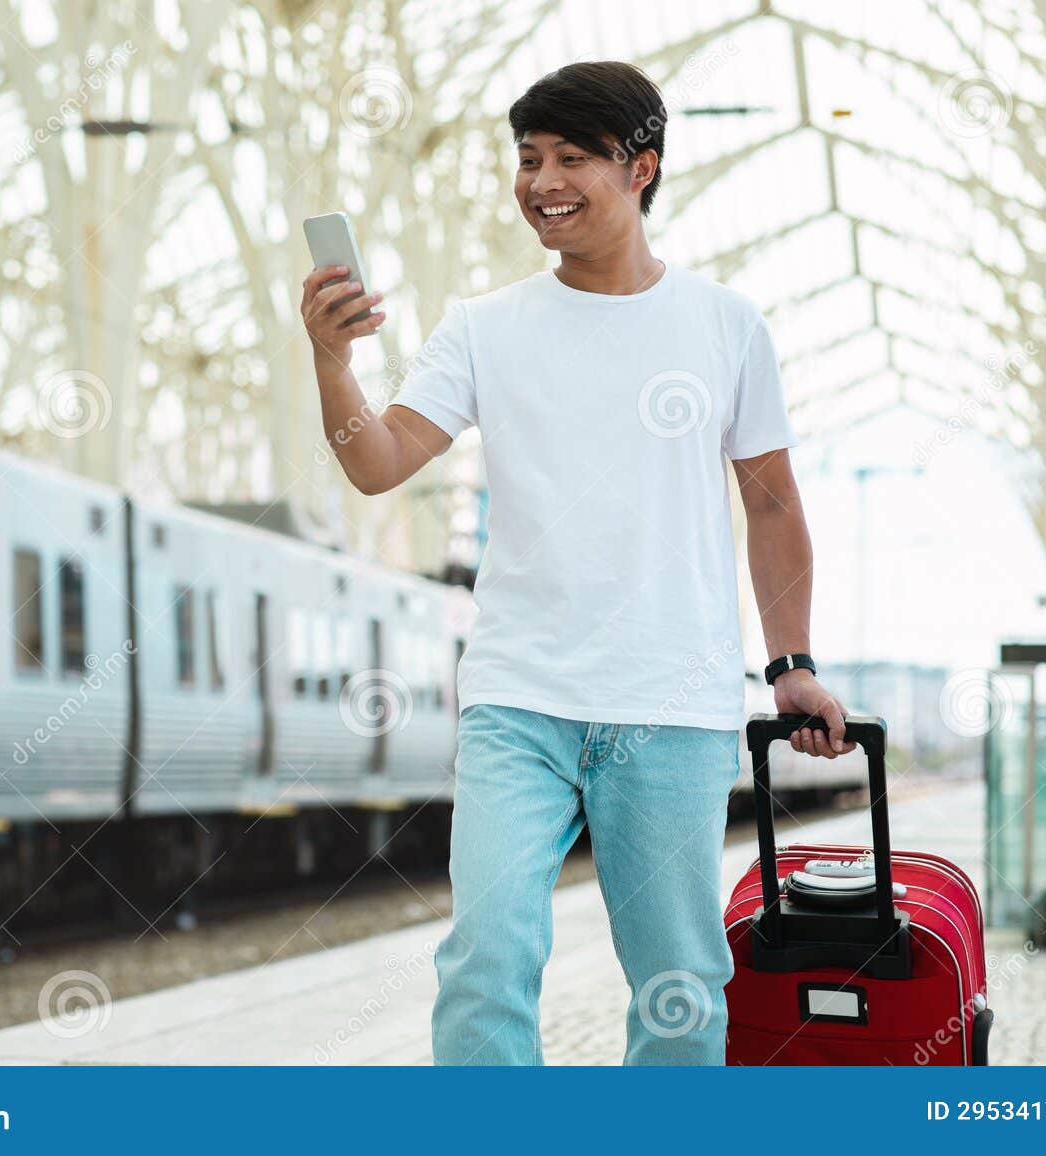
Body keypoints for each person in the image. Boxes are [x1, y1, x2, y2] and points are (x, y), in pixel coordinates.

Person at [301, 60, 853, 1066]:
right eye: (526, 159)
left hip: (672, 701)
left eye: (568, 158)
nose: (539, 180)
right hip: (520, 699)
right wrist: (334, 364)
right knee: (485, 955)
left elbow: (770, 504)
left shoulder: (725, 326)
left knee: (679, 977)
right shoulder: (482, 325)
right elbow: (378, 463)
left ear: (640, 167)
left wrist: (791, 665)